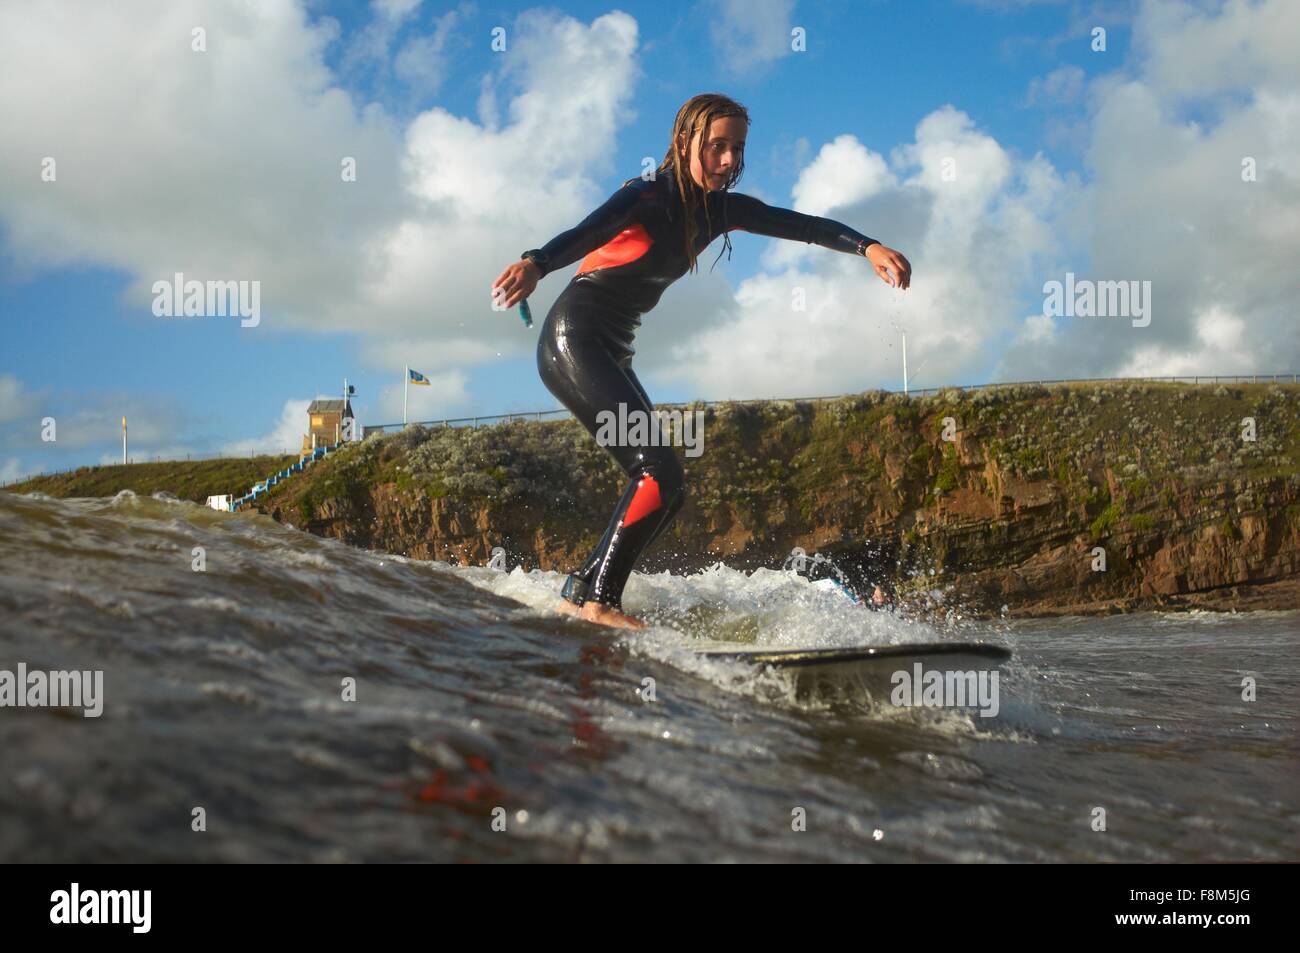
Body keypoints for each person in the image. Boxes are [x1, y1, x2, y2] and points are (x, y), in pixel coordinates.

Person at [491, 93, 911, 629]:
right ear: (684, 141)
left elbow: (800, 225)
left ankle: (581, 591)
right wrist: (537, 262)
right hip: (575, 340)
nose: (729, 161)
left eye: (737, 149)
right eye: (717, 147)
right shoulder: (645, 196)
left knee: (670, 486)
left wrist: (866, 247)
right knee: (656, 473)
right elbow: (589, 232)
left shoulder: (721, 212)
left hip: (614, 349)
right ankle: (600, 602)